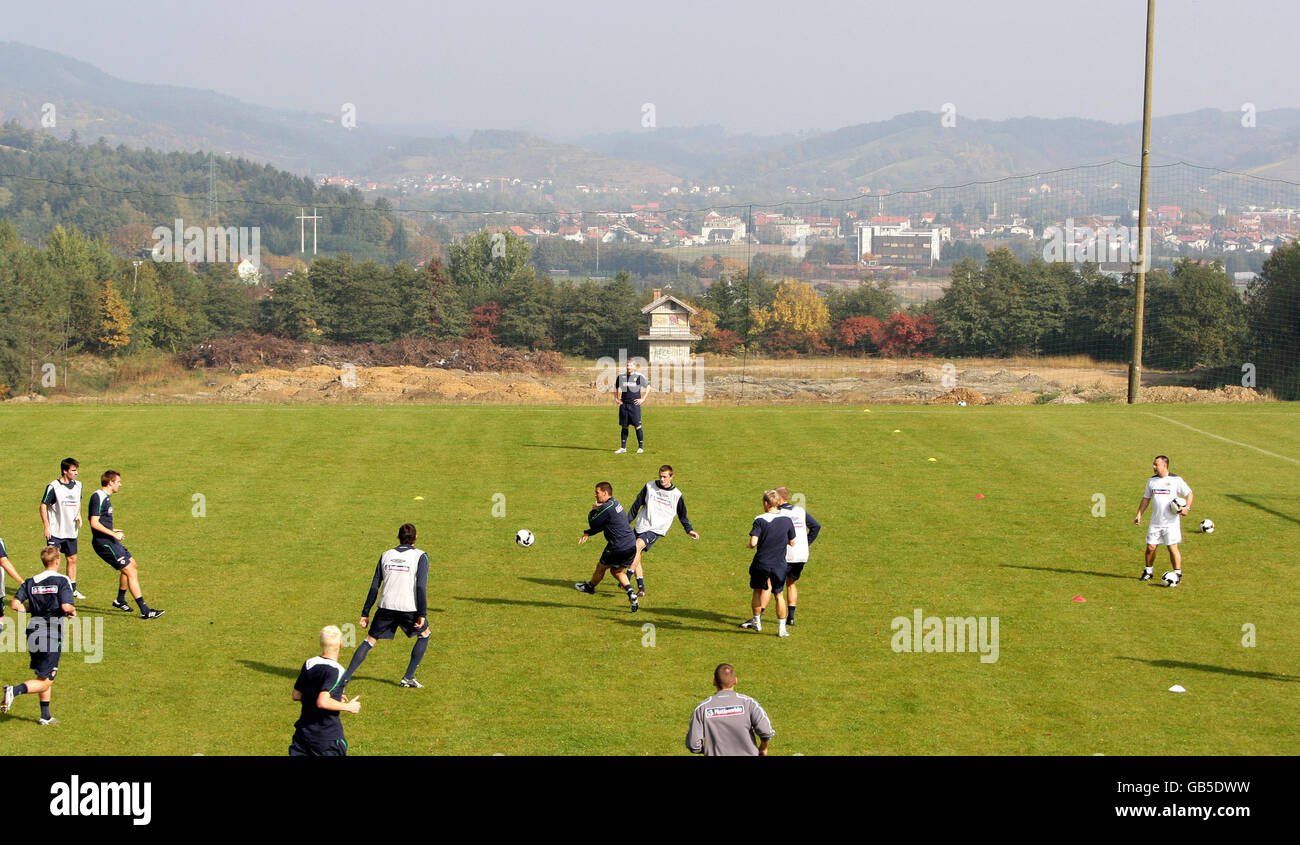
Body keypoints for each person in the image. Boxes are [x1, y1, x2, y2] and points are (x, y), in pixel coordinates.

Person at [341, 523, 431, 689]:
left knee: (370, 640)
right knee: (424, 634)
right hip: (408, 607)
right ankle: (408, 677)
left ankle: (344, 680)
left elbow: (375, 585)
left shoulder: (386, 555)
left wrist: (365, 612)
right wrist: (422, 613)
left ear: (398, 537)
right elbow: (420, 587)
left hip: (386, 606)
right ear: (415, 537)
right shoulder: (421, 556)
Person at [1, 546, 76, 725]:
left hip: (33, 632)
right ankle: (14, 691)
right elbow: (66, 606)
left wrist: (31, 608)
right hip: (51, 635)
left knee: (42, 674)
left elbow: (15, 605)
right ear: (57, 561)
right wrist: (72, 610)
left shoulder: (31, 581)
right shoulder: (62, 580)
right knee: (46, 681)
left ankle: (45, 716)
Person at [87, 471, 165, 619]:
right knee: (131, 571)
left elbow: (101, 522)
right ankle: (145, 610)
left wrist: (112, 530)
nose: (120, 484)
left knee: (133, 565)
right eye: (118, 482)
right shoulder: (98, 497)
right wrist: (113, 534)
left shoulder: (105, 497)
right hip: (104, 544)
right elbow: (94, 522)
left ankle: (120, 599)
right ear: (110, 482)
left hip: (110, 540)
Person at [627, 465, 700, 597]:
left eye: (665, 477)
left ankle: (627, 577)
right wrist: (626, 523)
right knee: (636, 553)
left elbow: (682, 515)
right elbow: (636, 505)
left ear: (671, 477)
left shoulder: (677, 495)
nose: (662, 479)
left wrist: (689, 530)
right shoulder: (649, 486)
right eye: (660, 476)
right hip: (642, 524)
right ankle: (641, 588)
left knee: (637, 546)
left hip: (656, 529)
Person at [290, 625, 361, 756]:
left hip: (303, 735)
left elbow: (296, 695)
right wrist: (348, 706)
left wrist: (334, 698)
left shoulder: (309, 663)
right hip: (326, 739)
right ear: (340, 644)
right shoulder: (337, 670)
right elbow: (322, 701)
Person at [574, 482, 640, 612]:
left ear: (605, 493)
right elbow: (604, 525)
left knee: (601, 567)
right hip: (631, 545)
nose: (595, 494)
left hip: (617, 546)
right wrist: (589, 533)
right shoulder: (614, 503)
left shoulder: (606, 507)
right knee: (617, 571)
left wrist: (594, 509)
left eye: (597, 492)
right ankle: (631, 593)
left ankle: (590, 587)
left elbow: (593, 522)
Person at [686, 663, 774, 756]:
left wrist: (709, 750)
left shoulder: (702, 708)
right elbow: (766, 731)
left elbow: (693, 744)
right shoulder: (749, 703)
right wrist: (764, 748)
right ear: (735, 681)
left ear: (714, 682)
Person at [740, 490, 796, 637]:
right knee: (779, 595)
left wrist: (750, 545)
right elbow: (792, 542)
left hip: (762, 563)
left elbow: (753, 542)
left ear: (766, 503)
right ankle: (782, 629)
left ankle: (757, 622)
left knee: (758, 591)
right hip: (779, 564)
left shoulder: (759, 519)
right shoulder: (787, 519)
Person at [1134, 455, 1194, 586]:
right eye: (1154, 464)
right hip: (1155, 522)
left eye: (1156, 464)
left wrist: (1187, 508)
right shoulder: (1151, 481)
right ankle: (1148, 571)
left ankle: (1177, 573)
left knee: (1172, 548)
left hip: (1171, 523)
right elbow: (1146, 499)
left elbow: (1189, 493)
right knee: (1150, 547)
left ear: (1164, 465)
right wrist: (1139, 514)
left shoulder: (1176, 480)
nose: (1154, 467)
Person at [40, 457, 85, 600]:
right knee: (53, 561)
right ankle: (51, 591)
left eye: (76, 470)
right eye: (73, 470)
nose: (76, 473)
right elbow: (43, 505)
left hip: (71, 531)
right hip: (56, 531)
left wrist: (79, 514)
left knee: (72, 559)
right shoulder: (54, 487)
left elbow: (79, 501)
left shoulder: (78, 485)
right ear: (65, 471)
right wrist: (46, 526)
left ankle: (72, 589)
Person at [775, 487, 820, 626]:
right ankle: (791, 617)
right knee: (791, 583)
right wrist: (806, 543)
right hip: (801, 554)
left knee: (773, 586)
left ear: (779, 498)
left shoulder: (778, 513)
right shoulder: (800, 510)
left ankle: (758, 616)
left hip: (786, 554)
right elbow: (816, 526)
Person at [614, 359, 650, 454]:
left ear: (634, 367)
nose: (628, 367)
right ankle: (623, 448)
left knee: (637, 426)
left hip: (634, 405)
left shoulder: (639, 376)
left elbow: (648, 386)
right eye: (627, 366)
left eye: (630, 366)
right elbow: (616, 387)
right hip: (624, 405)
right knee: (624, 426)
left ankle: (640, 447)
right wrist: (616, 398)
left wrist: (643, 399)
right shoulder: (621, 377)